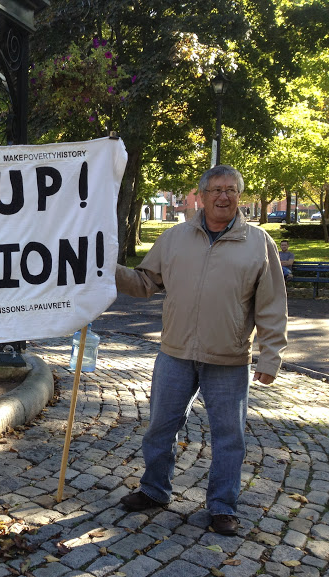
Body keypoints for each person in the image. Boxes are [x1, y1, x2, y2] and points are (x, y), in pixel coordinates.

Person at [114, 165, 287, 537]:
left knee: (229, 436)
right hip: (175, 352)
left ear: (239, 196)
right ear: (202, 195)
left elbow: (272, 305)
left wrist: (270, 356)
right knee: (160, 427)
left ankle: (222, 506)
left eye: (231, 190)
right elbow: (145, 283)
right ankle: (154, 490)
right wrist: (106, 271)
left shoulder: (258, 243)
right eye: (217, 190)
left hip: (228, 358)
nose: (224, 196)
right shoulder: (175, 238)